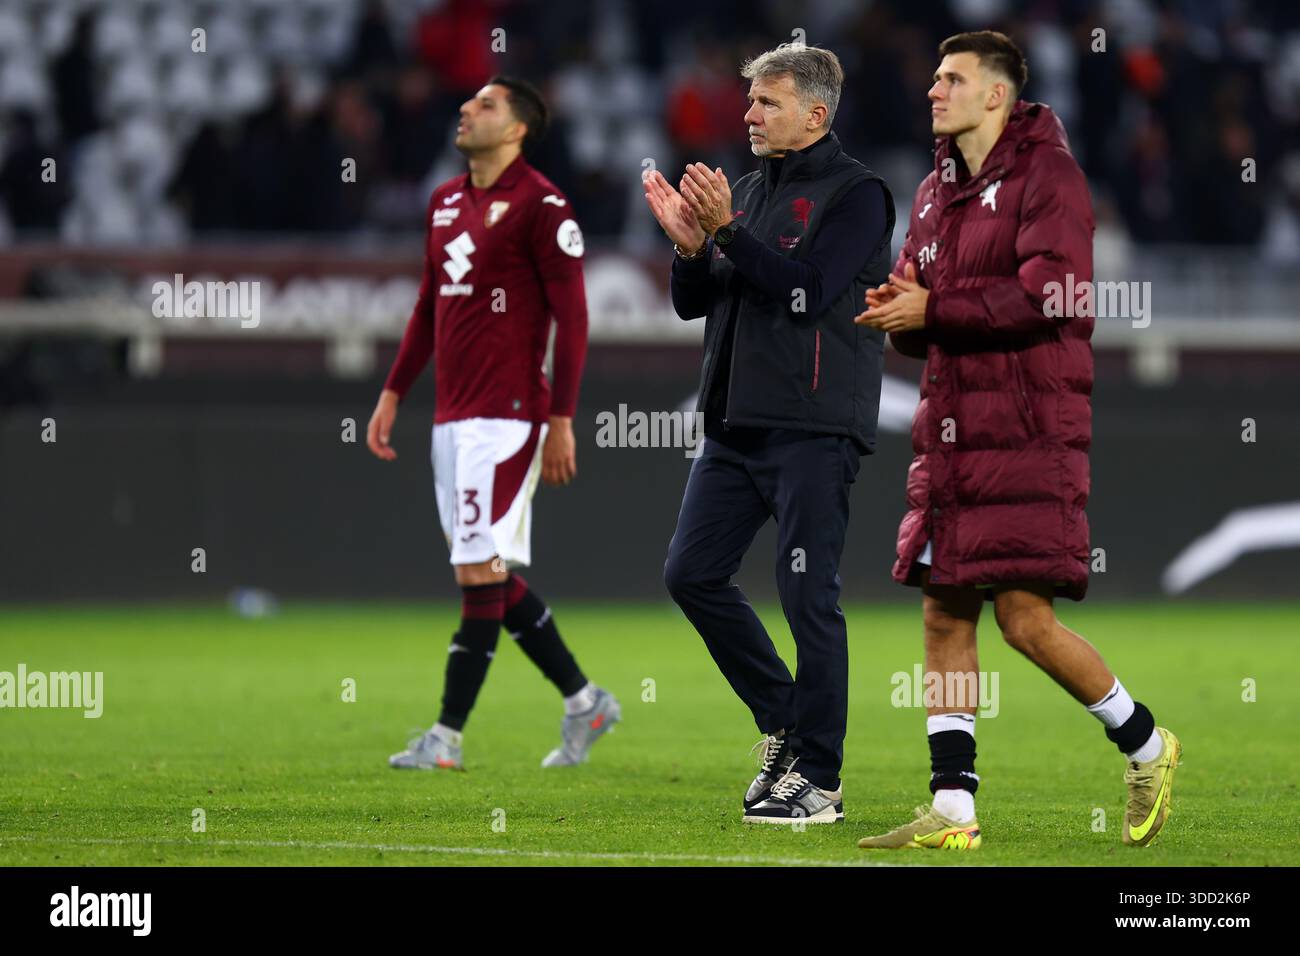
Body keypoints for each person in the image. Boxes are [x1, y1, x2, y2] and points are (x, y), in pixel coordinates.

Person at [854, 31, 1179, 850]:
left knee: (1025, 619)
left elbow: (1053, 297)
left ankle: (1145, 743)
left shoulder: (1051, 177)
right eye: (933, 76)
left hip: (1029, 427)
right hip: (954, 430)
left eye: (953, 79)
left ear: (995, 95)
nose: (934, 90)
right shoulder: (933, 191)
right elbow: (925, 307)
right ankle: (954, 810)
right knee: (943, 613)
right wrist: (901, 313)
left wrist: (934, 310)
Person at [645, 43, 895, 824]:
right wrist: (693, 247)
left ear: (815, 115)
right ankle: (789, 720)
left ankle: (819, 780)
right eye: (750, 101)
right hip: (735, 426)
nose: (748, 114)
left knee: (805, 598)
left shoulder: (859, 195)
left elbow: (809, 294)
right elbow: (699, 303)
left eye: (767, 103)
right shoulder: (748, 191)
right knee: (690, 574)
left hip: (813, 428)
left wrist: (726, 233)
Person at [368, 76, 619, 771]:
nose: (466, 110)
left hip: (509, 416)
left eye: (485, 105)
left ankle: (446, 737)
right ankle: (585, 701)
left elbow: (574, 318)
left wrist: (562, 417)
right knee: (483, 571)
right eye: (468, 102)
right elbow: (427, 306)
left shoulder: (543, 206)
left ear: (516, 130)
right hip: (451, 417)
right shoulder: (445, 201)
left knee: (478, 570)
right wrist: (393, 392)